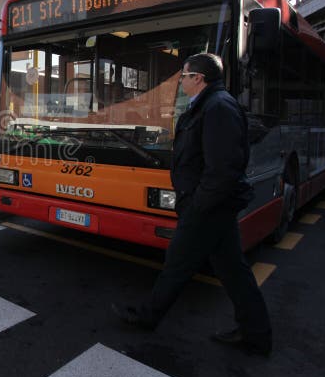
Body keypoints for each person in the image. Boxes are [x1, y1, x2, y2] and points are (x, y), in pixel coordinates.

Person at [112, 53, 272, 356]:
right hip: (212, 205)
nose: (181, 81)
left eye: (183, 76)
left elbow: (223, 168)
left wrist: (197, 205)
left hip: (208, 207)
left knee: (178, 262)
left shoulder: (218, 107)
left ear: (198, 78)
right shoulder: (209, 104)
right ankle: (256, 333)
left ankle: (147, 316)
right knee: (232, 270)